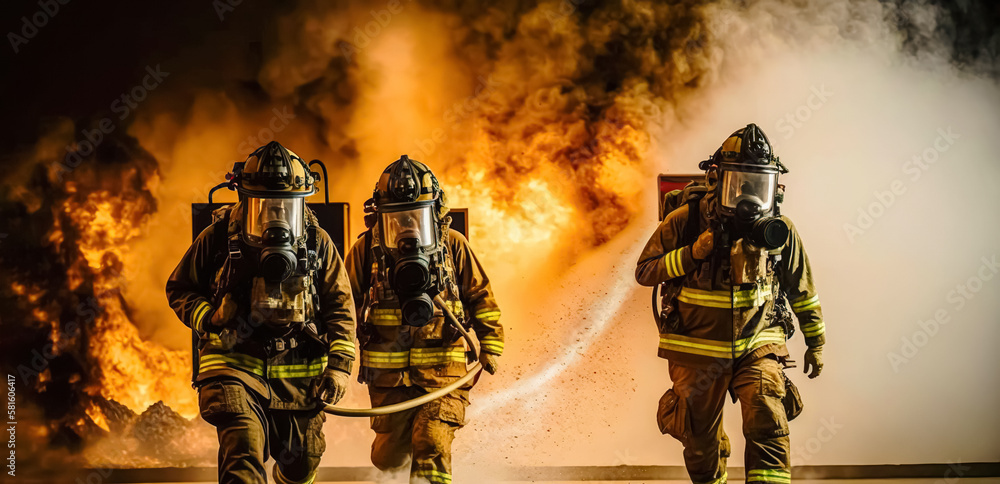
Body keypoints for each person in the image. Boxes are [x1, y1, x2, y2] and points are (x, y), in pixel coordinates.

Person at [636, 124, 826, 484]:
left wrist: (816, 343)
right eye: (740, 184)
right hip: (697, 351)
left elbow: (803, 289)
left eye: (760, 185)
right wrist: (693, 253)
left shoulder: (779, 231)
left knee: (768, 418)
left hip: (757, 344)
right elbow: (645, 271)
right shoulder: (685, 221)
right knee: (700, 445)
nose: (750, 197)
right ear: (717, 180)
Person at [166, 141, 356, 484]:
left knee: (302, 464)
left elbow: (340, 308)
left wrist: (340, 369)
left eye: (287, 206)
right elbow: (180, 288)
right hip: (233, 367)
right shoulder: (219, 237)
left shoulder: (318, 243)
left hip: (299, 377)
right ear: (244, 199)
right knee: (244, 454)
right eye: (264, 206)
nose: (277, 217)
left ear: (302, 203)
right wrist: (210, 317)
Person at [345, 155, 504, 484]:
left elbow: (480, 296)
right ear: (381, 215)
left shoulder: (453, 247)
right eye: (398, 217)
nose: (408, 226)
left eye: (417, 215)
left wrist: (490, 344)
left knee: (430, 443)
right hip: (389, 382)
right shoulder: (365, 252)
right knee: (389, 458)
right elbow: (342, 309)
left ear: (435, 212)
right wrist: (336, 359)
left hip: (443, 377)